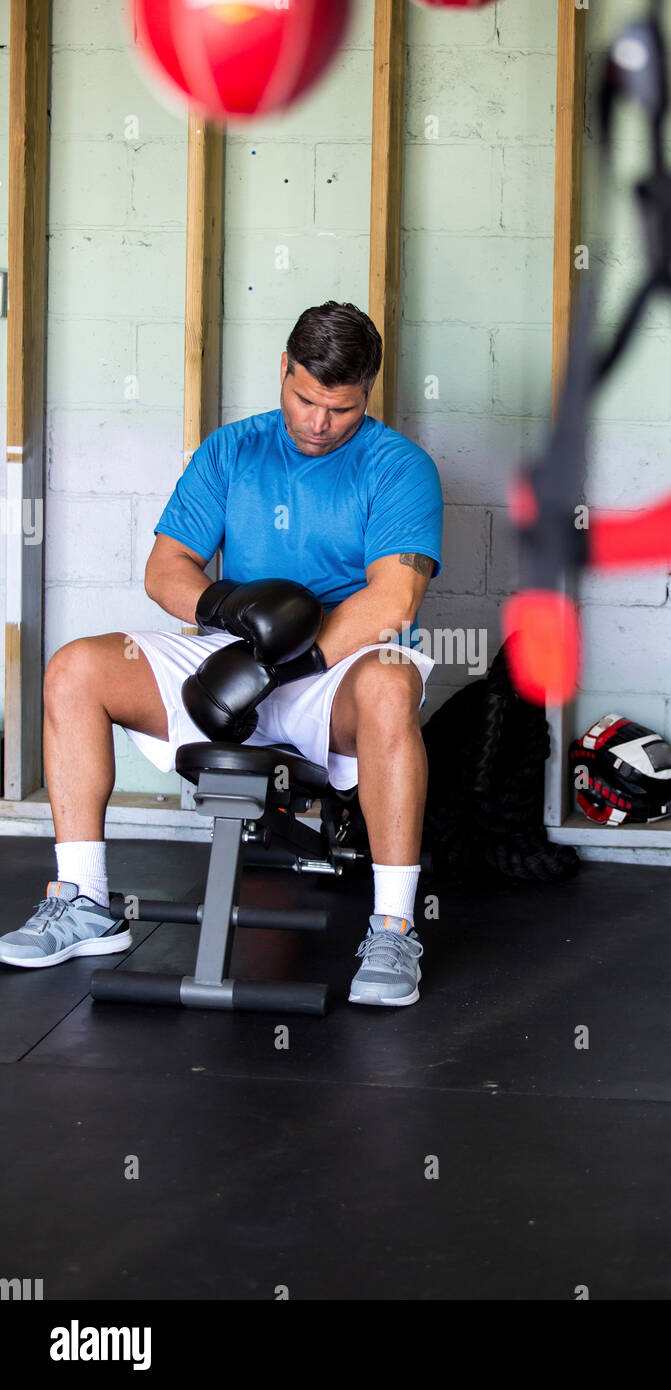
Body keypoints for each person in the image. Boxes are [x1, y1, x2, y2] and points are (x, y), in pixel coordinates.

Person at [0, 302, 444, 1007]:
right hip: (227, 654)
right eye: (304, 398)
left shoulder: (399, 468)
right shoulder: (233, 450)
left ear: (367, 395)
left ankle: (392, 928)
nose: (317, 423)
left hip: (332, 673)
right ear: (283, 370)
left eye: (341, 409)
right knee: (75, 666)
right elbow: (165, 568)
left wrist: (276, 669)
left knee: (393, 684)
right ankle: (83, 901)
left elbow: (392, 603)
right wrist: (225, 611)